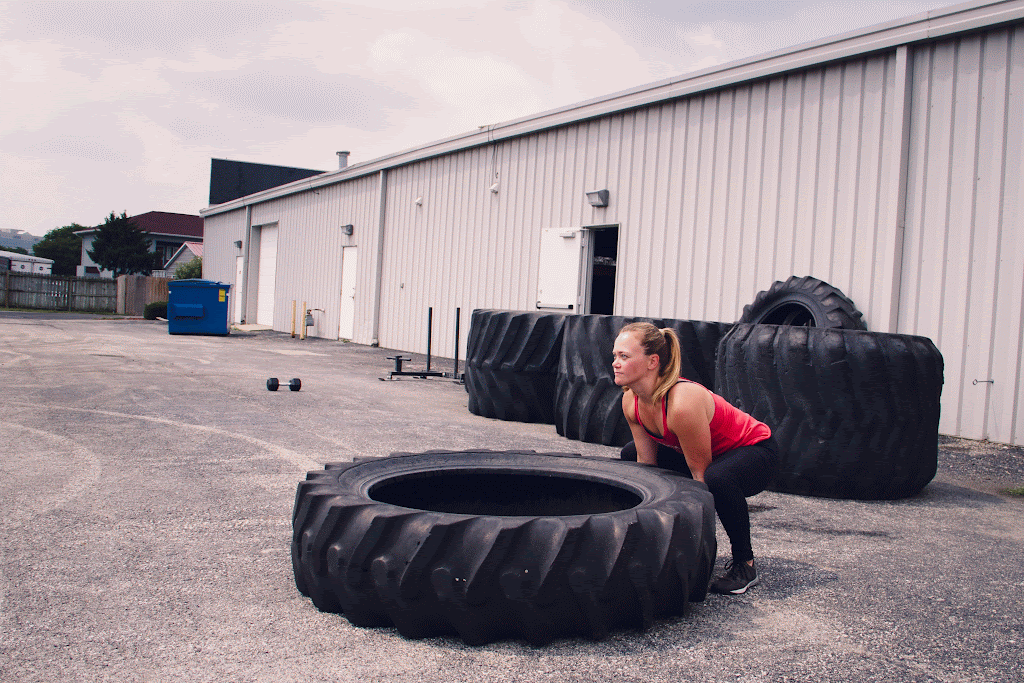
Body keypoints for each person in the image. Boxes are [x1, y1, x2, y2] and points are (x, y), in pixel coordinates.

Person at [611, 322, 779, 595]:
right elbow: (645, 464)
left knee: (716, 479)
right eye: (615, 356)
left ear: (653, 361)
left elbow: (700, 478)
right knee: (630, 455)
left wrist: (692, 555)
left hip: (757, 451)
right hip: (716, 454)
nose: (616, 363)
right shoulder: (631, 401)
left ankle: (744, 564)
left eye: (625, 357)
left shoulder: (682, 403)